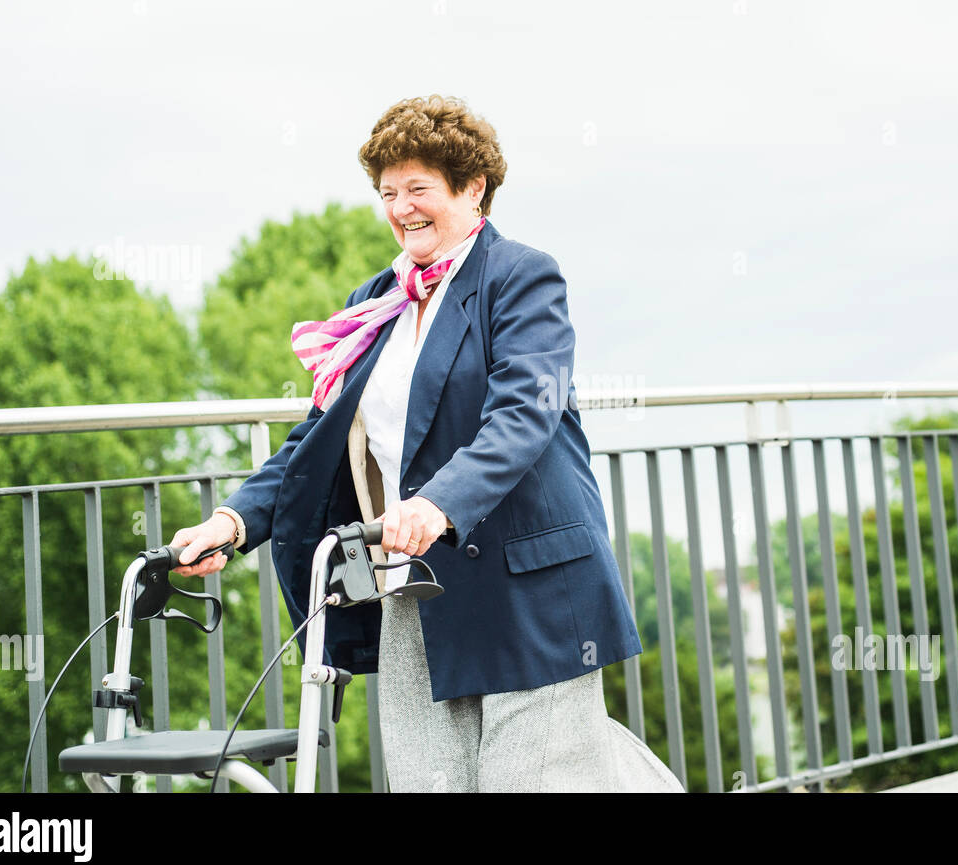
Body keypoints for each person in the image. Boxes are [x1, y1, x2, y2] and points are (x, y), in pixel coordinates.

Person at [171, 94, 683, 793]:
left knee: (542, 778)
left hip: (524, 586)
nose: (402, 207)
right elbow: (316, 441)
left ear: (473, 189)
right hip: (416, 588)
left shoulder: (520, 277)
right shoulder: (375, 302)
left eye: (419, 189)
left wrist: (438, 504)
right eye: (389, 192)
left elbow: (522, 416)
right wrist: (231, 522)